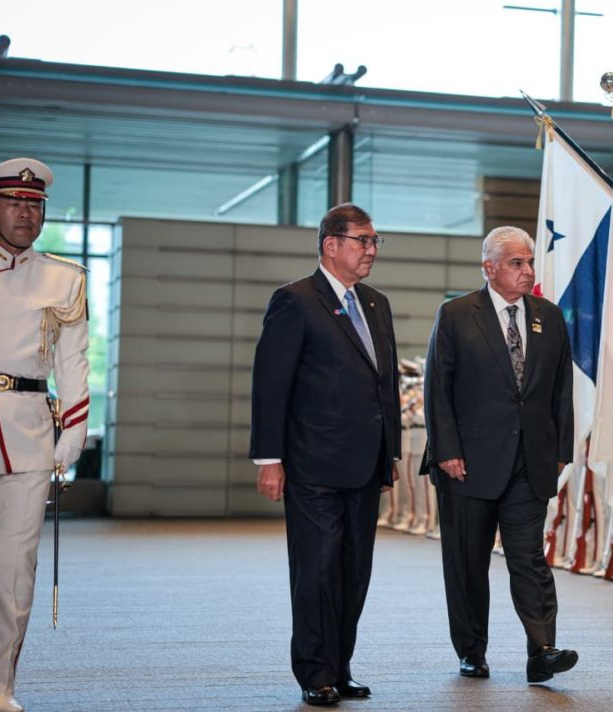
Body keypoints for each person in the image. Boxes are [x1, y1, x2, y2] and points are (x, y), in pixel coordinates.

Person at [249, 203, 400, 706]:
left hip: (365, 464)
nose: (371, 249)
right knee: (317, 569)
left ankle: (340, 665)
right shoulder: (295, 300)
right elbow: (271, 385)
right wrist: (269, 458)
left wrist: (390, 453)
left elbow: (386, 386)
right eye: (363, 240)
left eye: (376, 240)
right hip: (312, 464)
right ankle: (314, 671)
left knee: (355, 573)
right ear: (330, 244)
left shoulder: (375, 304)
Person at [423, 225, 576, 684]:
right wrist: (446, 450)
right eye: (517, 263)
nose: (528, 270)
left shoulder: (548, 317)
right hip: (467, 465)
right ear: (489, 268)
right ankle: (472, 650)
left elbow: (560, 390)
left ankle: (542, 651)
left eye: (530, 261)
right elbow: (437, 389)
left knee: (528, 557)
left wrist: (561, 450)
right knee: (468, 563)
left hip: (530, 463)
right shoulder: (455, 314)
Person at [0, 158, 89, 712]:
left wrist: (72, 434)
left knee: (14, 569)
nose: (25, 213)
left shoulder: (64, 278)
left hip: (28, 432)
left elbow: (74, 362)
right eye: (13, 202)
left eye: (34, 204)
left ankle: (0, 685)